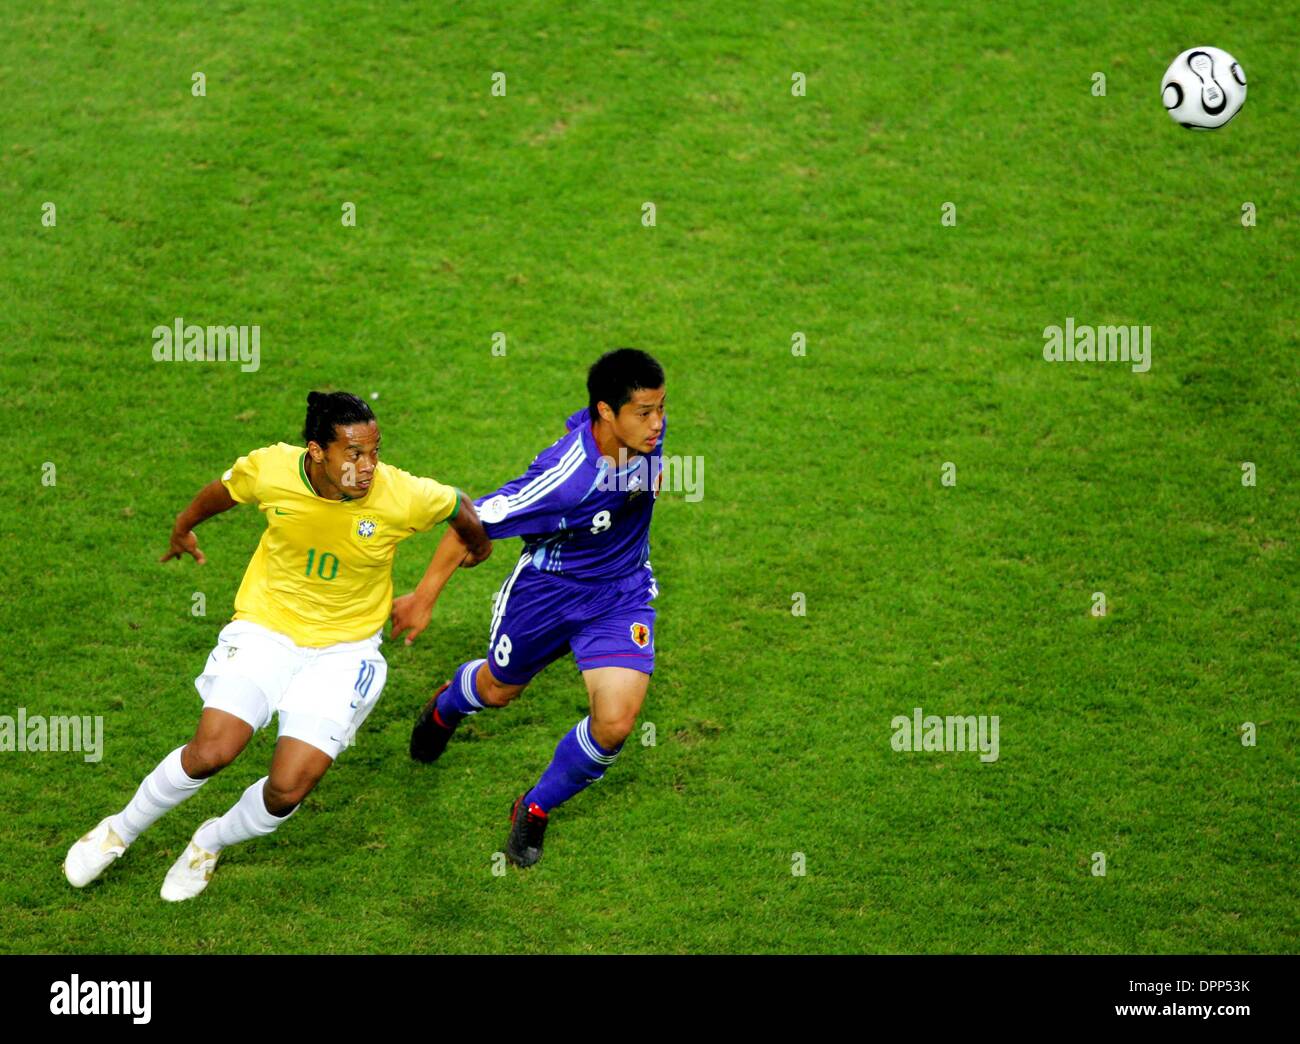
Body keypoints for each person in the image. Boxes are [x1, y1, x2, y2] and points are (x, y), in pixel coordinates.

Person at [64, 391, 490, 900]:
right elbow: (223, 490)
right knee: (212, 752)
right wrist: (184, 527)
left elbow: (462, 509)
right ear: (316, 451)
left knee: (289, 787)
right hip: (267, 627)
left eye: (374, 452)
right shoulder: (272, 470)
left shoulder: (402, 494)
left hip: (345, 649)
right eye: (354, 454)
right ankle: (119, 830)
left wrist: (434, 587)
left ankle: (209, 840)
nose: (369, 465)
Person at [399, 348, 666, 867]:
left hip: (621, 594)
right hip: (547, 596)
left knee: (614, 724)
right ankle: (446, 706)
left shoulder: (641, 429)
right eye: (644, 412)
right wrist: (423, 597)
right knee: (499, 692)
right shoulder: (564, 483)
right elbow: (469, 519)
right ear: (606, 412)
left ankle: (535, 806)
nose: (657, 424)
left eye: (661, 409)